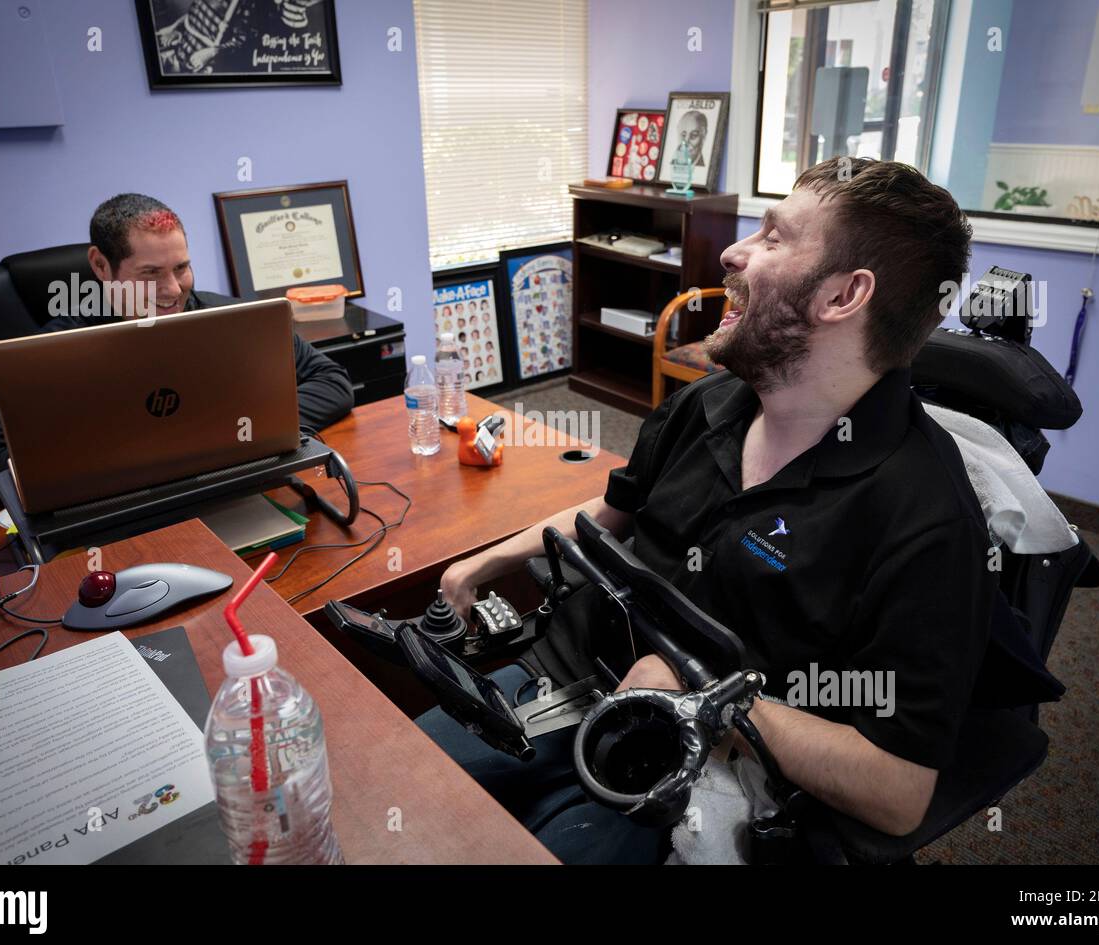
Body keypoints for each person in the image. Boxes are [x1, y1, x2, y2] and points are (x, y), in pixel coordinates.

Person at [419, 158, 992, 864]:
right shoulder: (707, 403)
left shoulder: (927, 522)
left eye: (776, 238)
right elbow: (616, 511)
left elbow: (898, 792)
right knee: (382, 793)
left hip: (682, 768)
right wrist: (496, 556)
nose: (733, 251)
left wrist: (704, 699)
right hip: (562, 677)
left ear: (843, 295)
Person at [0, 193, 354, 507]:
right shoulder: (49, 351)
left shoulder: (233, 320)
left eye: (181, 268)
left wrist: (248, 428)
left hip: (229, 496)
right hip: (113, 517)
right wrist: (99, 455)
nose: (172, 290)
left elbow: (333, 380)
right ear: (100, 266)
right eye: (150, 274)